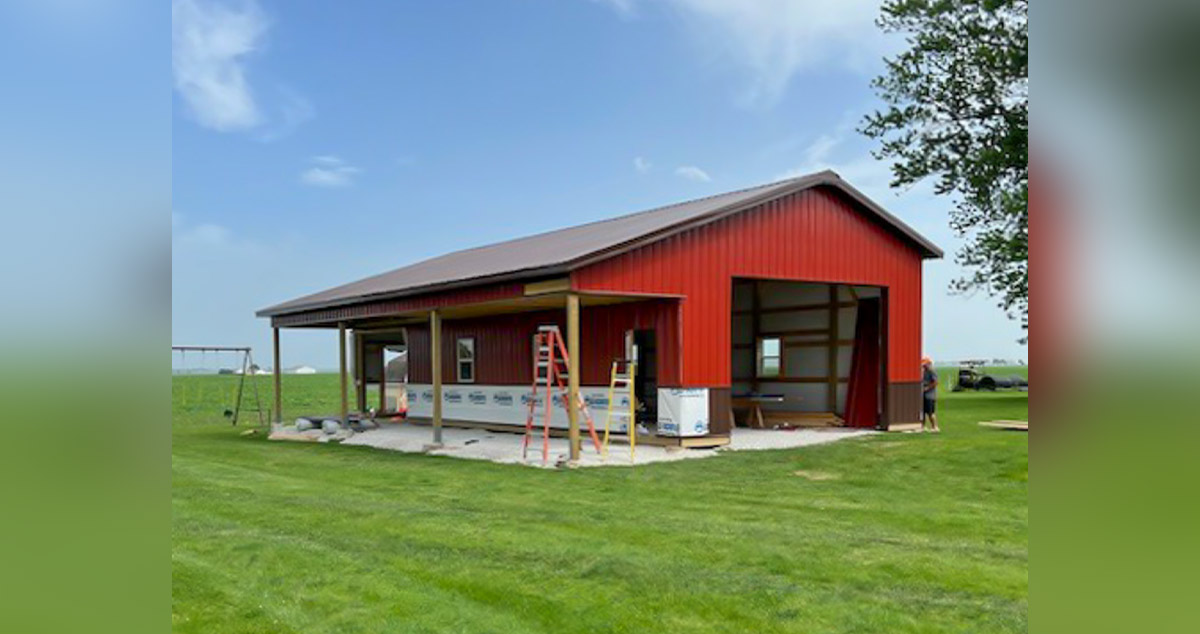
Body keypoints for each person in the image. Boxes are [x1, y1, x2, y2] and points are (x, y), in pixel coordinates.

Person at [921, 357, 940, 432]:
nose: (923, 366)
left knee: (930, 412)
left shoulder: (932, 371)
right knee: (923, 412)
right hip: (924, 394)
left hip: (930, 396)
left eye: (925, 364)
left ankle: (935, 427)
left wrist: (927, 388)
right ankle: (923, 426)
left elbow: (935, 382)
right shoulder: (924, 371)